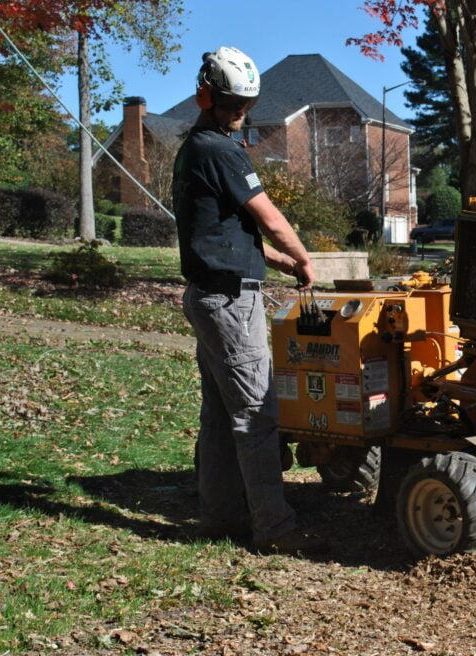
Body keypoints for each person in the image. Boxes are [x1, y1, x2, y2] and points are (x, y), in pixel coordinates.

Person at [173, 46, 325, 554]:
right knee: (257, 414)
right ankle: (275, 528)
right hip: (228, 301)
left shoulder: (199, 147)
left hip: (211, 295)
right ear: (205, 97)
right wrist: (303, 260)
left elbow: (225, 230)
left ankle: (221, 516)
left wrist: (277, 264)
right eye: (233, 105)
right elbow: (270, 219)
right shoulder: (220, 150)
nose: (242, 115)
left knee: (220, 413)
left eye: (247, 105)